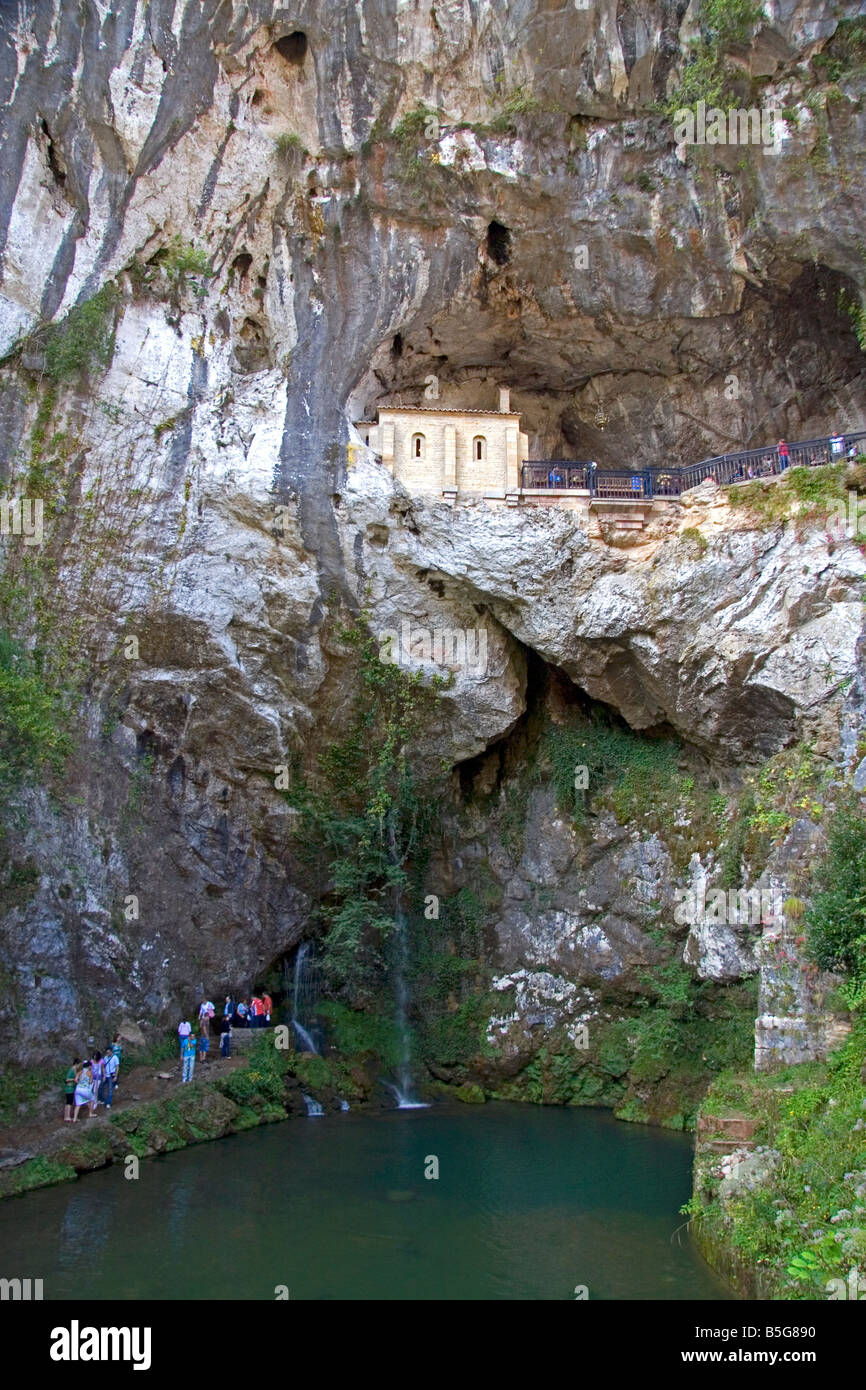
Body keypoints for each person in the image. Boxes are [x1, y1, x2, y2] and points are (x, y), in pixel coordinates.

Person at [64, 1057, 81, 1121]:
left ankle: (67, 1116)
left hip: (72, 1087)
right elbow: (67, 1079)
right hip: (69, 1088)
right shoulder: (71, 1070)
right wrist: (74, 1079)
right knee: (69, 1102)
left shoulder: (75, 1070)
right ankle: (67, 1116)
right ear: (76, 1064)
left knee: (69, 1102)